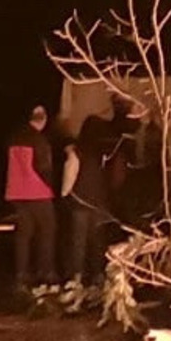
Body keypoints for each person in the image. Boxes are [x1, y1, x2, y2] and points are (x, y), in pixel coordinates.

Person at [4, 104, 57, 288]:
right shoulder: (39, 140)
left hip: (17, 193)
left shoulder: (14, 138)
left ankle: (21, 273)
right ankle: (46, 271)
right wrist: (51, 187)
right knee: (47, 230)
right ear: (44, 120)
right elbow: (44, 168)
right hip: (38, 192)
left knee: (24, 235)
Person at [62, 114, 116, 285]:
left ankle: (76, 277)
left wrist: (64, 194)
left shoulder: (77, 152)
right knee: (97, 241)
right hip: (99, 203)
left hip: (80, 202)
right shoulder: (104, 154)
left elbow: (70, 177)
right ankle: (98, 275)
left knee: (78, 242)